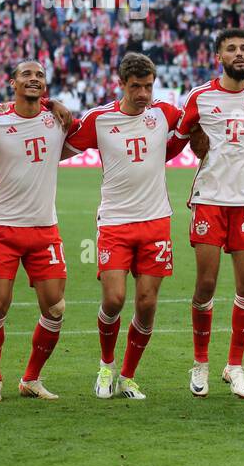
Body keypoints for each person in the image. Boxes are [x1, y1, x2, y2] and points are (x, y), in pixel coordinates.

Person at [66, 53, 186, 400]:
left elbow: (191, 123)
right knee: (115, 299)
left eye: (148, 86)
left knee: (146, 304)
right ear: (122, 84)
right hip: (115, 222)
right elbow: (61, 141)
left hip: (156, 221)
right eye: (136, 87)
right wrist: (53, 105)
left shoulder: (164, 113)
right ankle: (106, 365)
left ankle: (128, 376)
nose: (143, 93)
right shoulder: (100, 120)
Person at [176, 28, 244, 400]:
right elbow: (179, 135)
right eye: (231, 49)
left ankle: (235, 365)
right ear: (219, 56)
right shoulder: (200, 96)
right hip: (210, 200)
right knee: (206, 285)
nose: (239, 53)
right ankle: (200, 362)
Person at [0, 61, 76, 402]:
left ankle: (31, 378)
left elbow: (83, 130)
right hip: (2, 227)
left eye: (40, 76)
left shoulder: (58, 121)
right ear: (12, 82)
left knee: (55, 307)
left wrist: (54, 105)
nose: (34, 79)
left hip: (44, 229)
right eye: (26, 75)